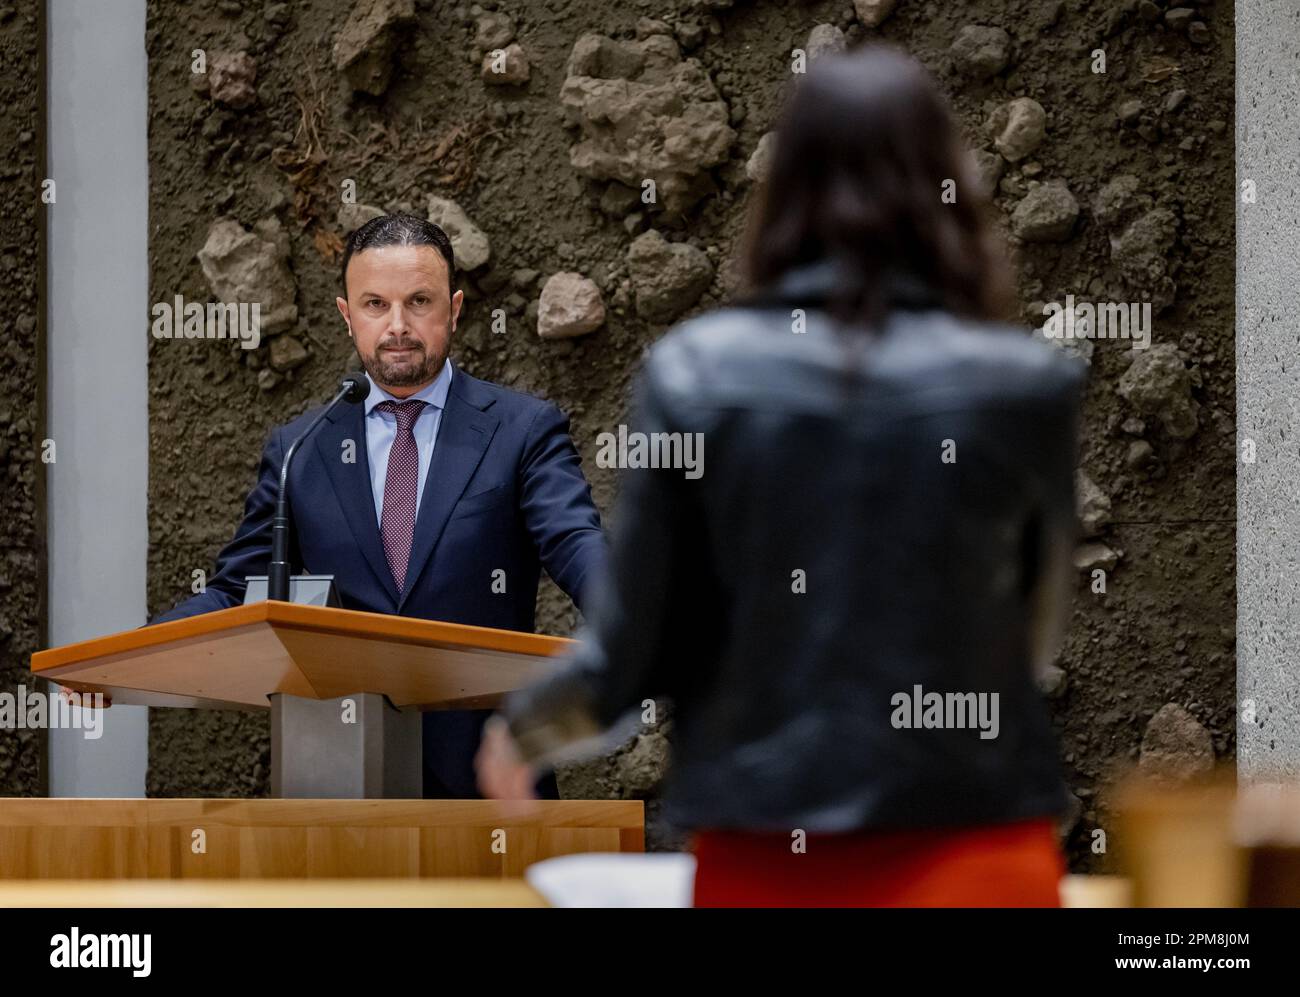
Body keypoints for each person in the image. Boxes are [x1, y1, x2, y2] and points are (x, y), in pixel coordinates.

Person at [475, 46, 1085, 906]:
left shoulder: (696, 376)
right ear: (948, 185)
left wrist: (522, 730)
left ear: (785, 186)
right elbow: (1032, 633)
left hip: (769, 860)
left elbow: (634, 647)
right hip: (979, 856)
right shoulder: (1027, 385)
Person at [153, 214, 607, 800]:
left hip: (491, 785)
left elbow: (576, 544)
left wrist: (627, 628)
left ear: (456, 308)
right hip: (338, 784)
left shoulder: (522, 430)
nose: (397, 326)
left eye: (419, 301)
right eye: (375, 304)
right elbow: (236, 590)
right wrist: (119, 660)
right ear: (347, 315)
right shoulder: (301, 448)